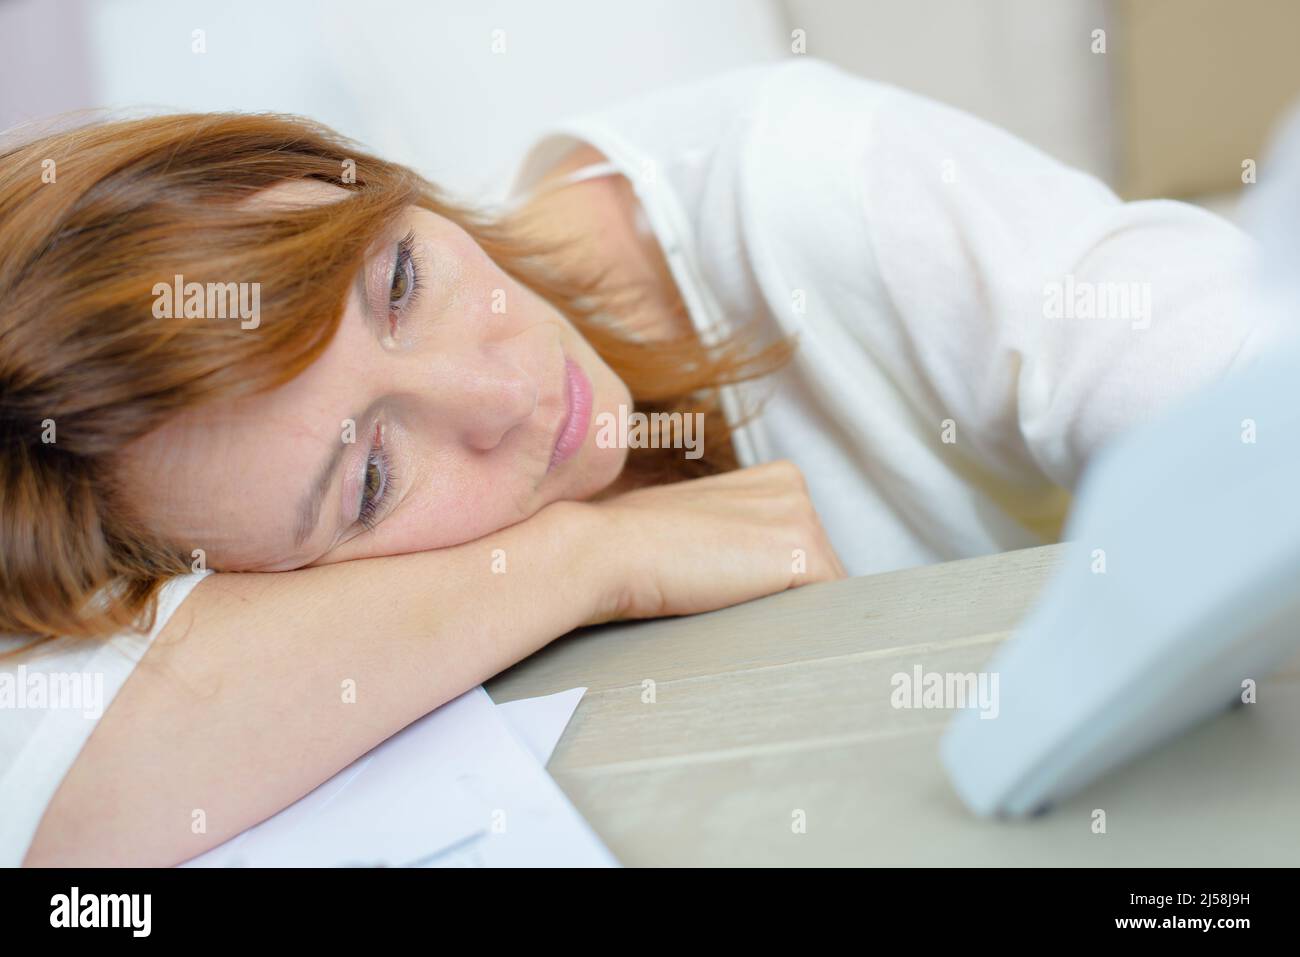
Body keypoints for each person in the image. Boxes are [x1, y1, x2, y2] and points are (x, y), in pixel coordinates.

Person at [0, 59, 1264, 865]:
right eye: (369, 479)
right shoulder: (206, 592)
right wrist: (591, 555)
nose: (501, 392)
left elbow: (1262, 410)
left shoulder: (797, 187)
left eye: (400, 279)